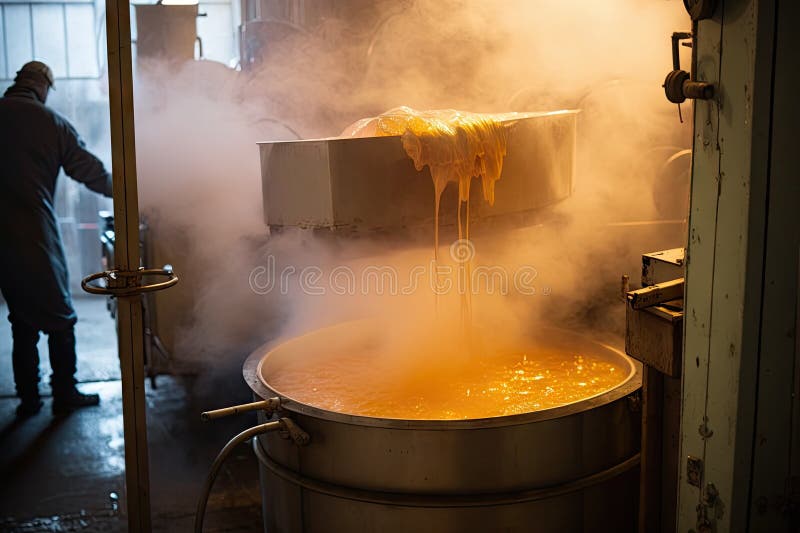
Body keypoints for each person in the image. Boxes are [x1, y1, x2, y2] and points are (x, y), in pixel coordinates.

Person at [0, 61, 114, 417]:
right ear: (44, 87)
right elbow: (88, 170)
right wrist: (131, 191)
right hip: (34, 232)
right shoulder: (50, 123)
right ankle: (64, 392)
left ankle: (29, 400)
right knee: (60, 315)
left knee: (21, 318)